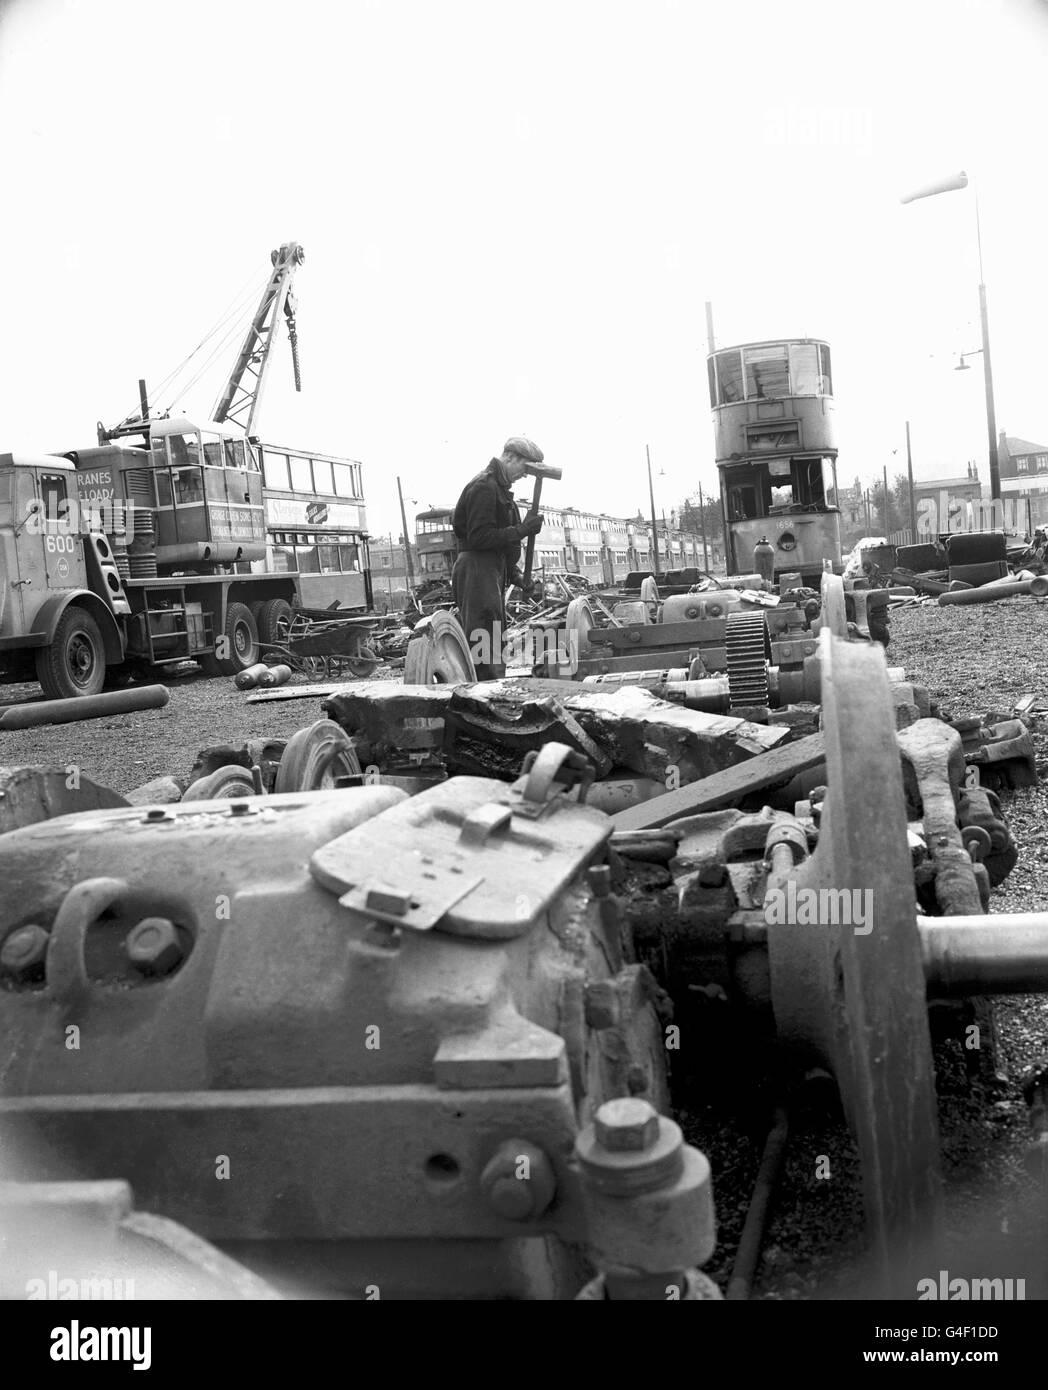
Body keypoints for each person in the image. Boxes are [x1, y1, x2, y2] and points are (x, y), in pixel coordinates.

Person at [452, 437, 544, 679]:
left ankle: (493, 688)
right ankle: (485, 695)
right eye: (524, 469)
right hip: (476, 569)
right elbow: (480, 538)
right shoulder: (484, 487)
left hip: (489, 569)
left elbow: (498, 548)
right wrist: (522, 530)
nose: (524, 476)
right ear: (510, 457)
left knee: (492, 636)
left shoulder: (499, 490)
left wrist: (516, 576)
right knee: (483, 637)